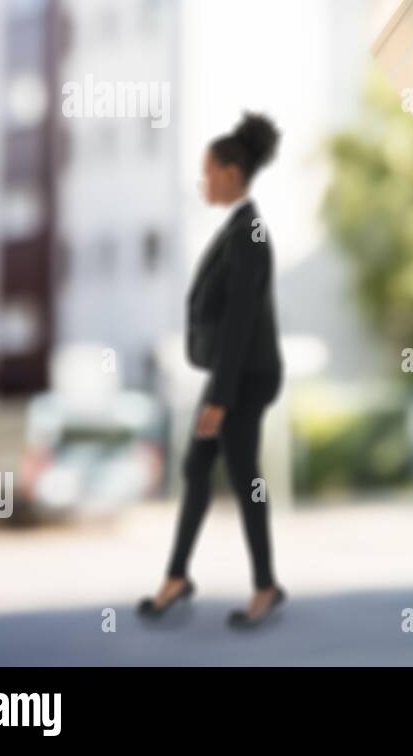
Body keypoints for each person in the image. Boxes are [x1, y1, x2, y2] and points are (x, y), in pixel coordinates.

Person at [138, 111, 286, 630]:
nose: (202, 182)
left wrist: (220, 398)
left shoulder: (248, 232)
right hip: (234, 374)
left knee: (243, 477)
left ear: (229, 171)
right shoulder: (237, 229)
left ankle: (265, 587)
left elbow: (242, 320)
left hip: (245, 377)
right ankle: (177, 576)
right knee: (199, 467)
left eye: (207, 171)